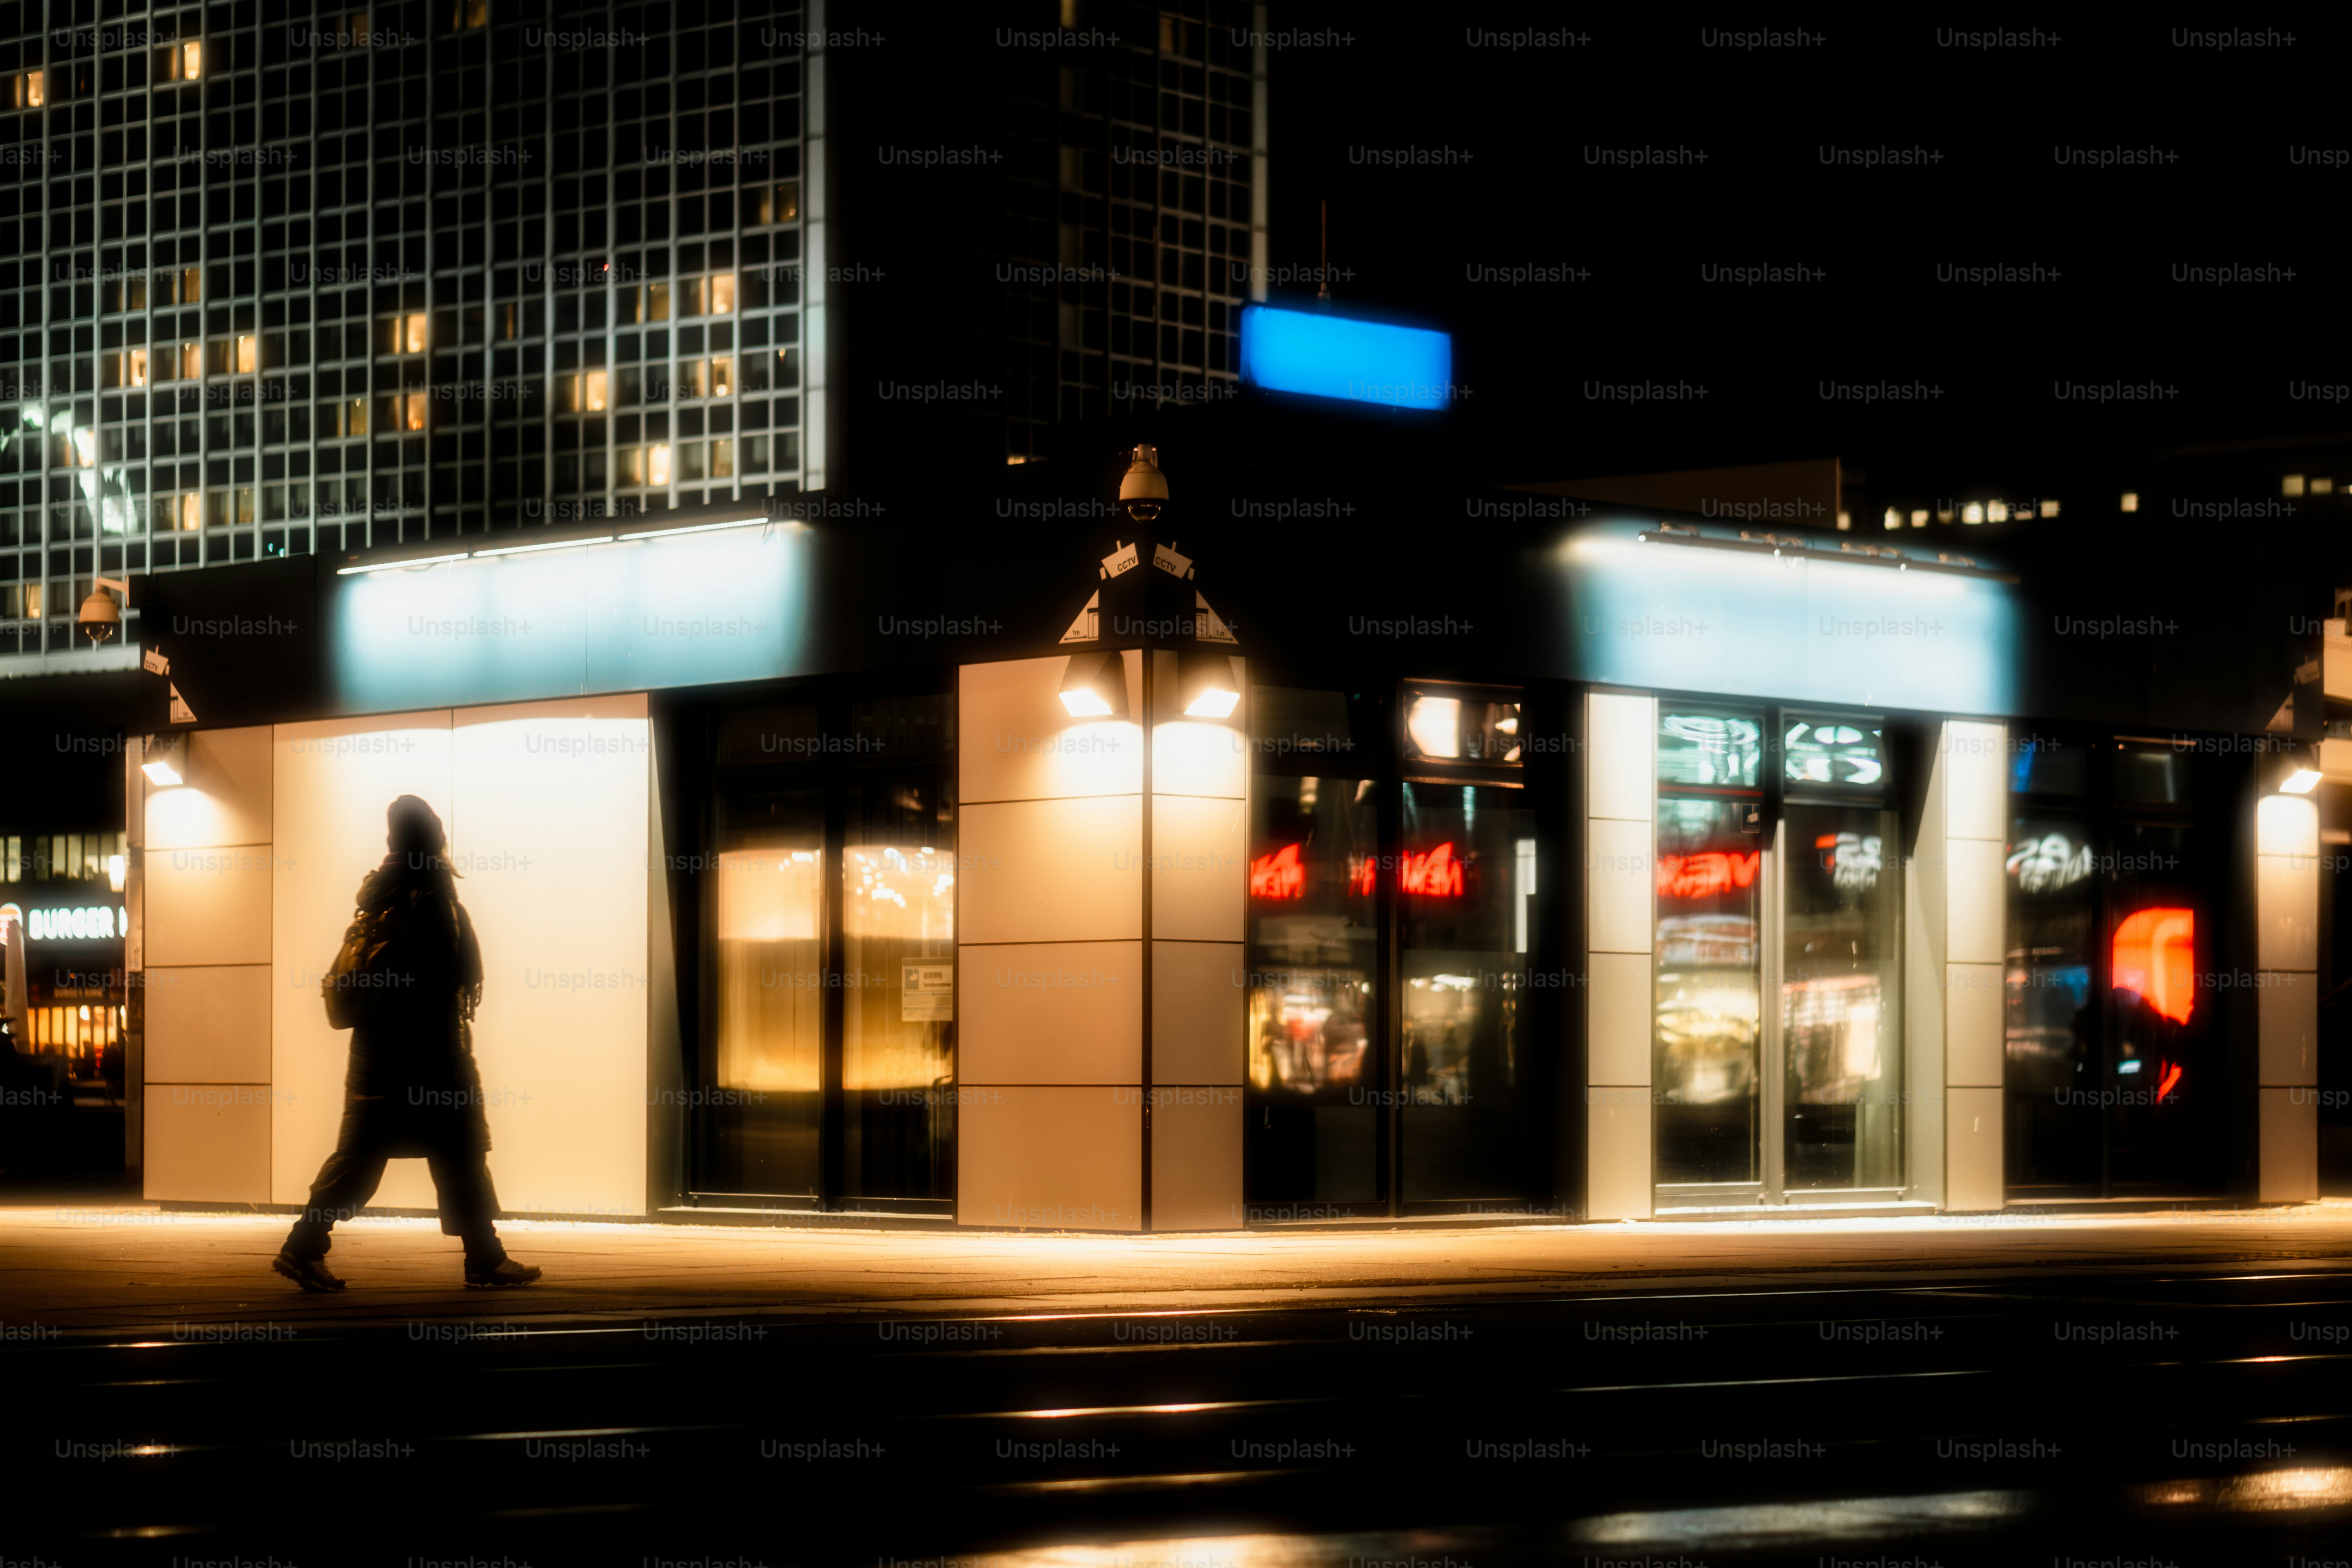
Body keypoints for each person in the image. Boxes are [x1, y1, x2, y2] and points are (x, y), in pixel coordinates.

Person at [274, 796, 540, 1292]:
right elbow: (441, 976)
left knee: (383, 1152)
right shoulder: (429, 895)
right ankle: (482, 1259)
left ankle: (481, 1255)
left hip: (380, 1052)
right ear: (433, 839)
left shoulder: (379, 894)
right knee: (453, 1149)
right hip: (428, 1053)